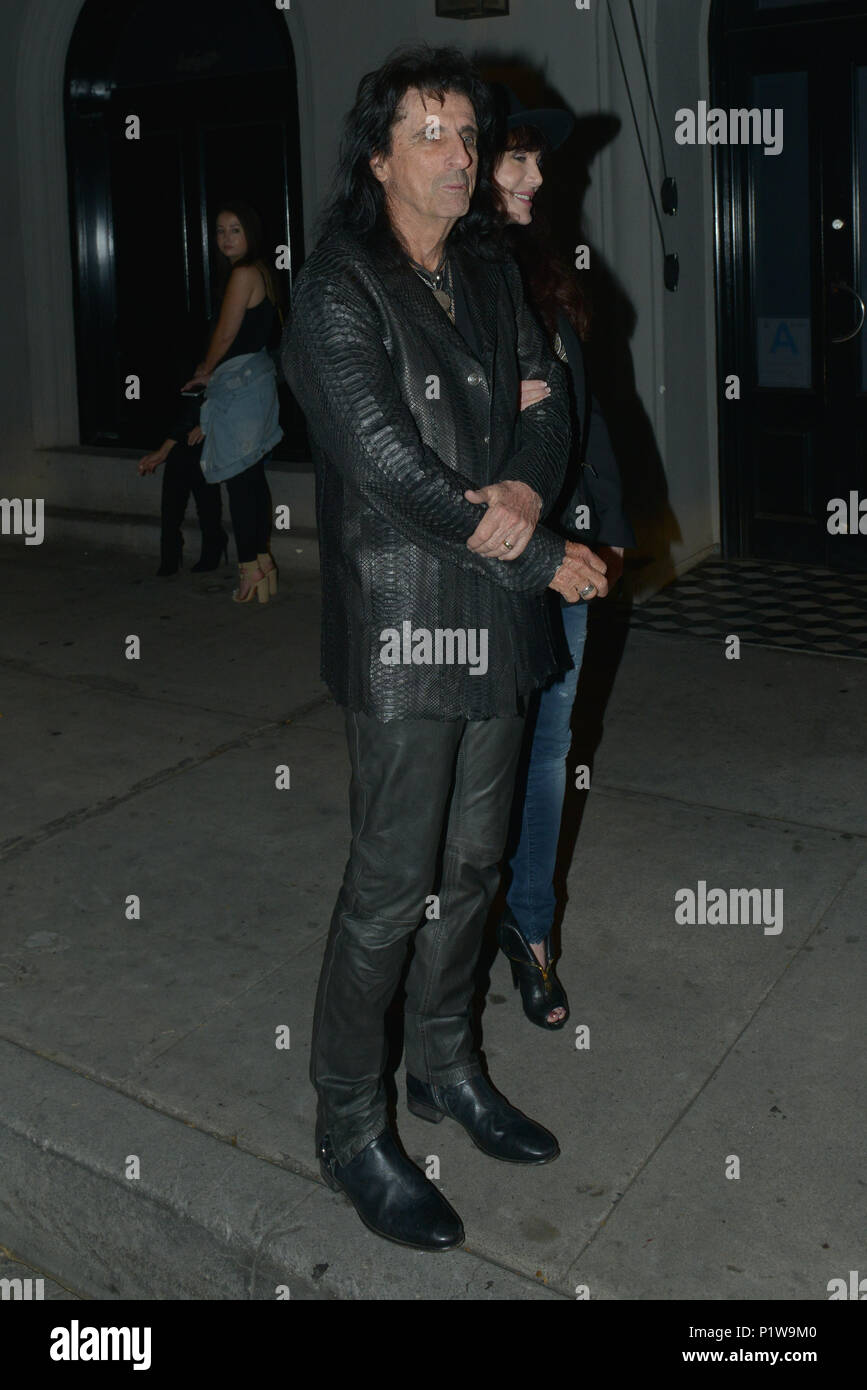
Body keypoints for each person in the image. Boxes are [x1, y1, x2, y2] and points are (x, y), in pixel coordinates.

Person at [283, 44, 609, 1253]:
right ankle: (350, 1124)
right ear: (377, 158)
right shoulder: (334, 287)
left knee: (474, 865)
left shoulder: (487, 264)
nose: (461, 155)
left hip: (495, 618)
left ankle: (445, 1067)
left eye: (469, 135)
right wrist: (529, 550)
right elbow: (391, 469)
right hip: (406, 623)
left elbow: (546, 398)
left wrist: (525, 497)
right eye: (431, 134)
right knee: (387, 886)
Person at [490, 89, 635, 1028]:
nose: (536, 178)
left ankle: (530, 927)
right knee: (478, 756)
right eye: (516, 159)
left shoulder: (545, 267)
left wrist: (612, 521)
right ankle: (459, 932)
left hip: (571, 548)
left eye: (538, 162)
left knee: (548, 749)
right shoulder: (444, 276)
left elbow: (587, 410)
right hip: (490, 557)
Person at [182, 201, 283, 604]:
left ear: (250, 233)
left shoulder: (243, 274)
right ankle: (261, 560)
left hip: (240, 387)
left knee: (239, 478)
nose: (226, 238)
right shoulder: (261, 272)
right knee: (252, 476)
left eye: (234, 230)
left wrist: (205, 369)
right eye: (221, 231)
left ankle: (249, 568)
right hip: (256, 381)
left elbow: (226, 334)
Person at [137, 391, 227, 576]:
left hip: (201, 441)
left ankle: (210, 546)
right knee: (172, 504)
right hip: (179, 439)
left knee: (205, 500)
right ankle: (171, 552)